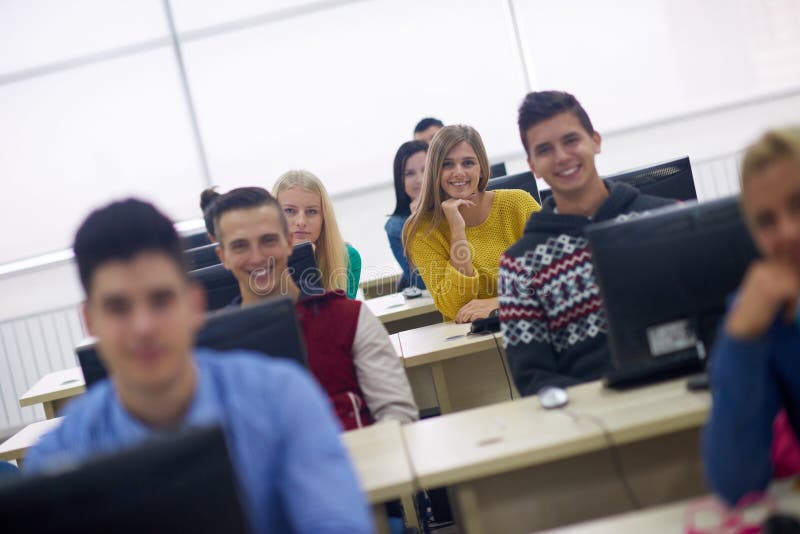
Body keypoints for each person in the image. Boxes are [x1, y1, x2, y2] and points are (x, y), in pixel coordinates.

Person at [23, 199, 373, 534]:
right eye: (118, 307)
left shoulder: (282, 398)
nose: (143, 327)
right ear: (90, 320)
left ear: (194, 304)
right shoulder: (58, 459)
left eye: (160, 300)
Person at [498, 91, 673, 396]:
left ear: (596, 141)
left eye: (570, 140)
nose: (562, 156)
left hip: (685, 395)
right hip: (595, 422)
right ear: (533, 166)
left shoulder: (667, 219)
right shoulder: (520, 265)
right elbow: (533, 378)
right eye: (545, 150)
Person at [211, 187, 418, 431]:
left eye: (268, 240)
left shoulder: (349, 318)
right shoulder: (216, 347)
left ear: (289, 242)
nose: (257, 257)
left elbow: (398, 415)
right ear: (222, 256)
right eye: (240, 246)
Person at [703, 127, 800, 505]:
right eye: (766, 221)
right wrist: (742, 335)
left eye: (798, 205)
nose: (788, 232)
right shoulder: (770, 313)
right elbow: (737, 482)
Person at [403, 124, 540, 322]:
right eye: (447, 164)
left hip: (537, 325)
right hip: (476, 342)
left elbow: (560, 279)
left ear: (481, 168)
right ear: (434, 170)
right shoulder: (421, 229)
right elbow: (456, 307)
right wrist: (457, 230)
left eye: (468, 163)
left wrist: (499, 303)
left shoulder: (518, 204)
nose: (459, 172)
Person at [273, 170, 361, 299]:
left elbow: (340, 317)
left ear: (324, 218)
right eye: (290, 210)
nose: (301, 222)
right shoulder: (259, 262)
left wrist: (308, 262)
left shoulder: (347, 257)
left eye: (312, 211)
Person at [385, 140, 428, 291]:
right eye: (410, 173)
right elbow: (423, 282)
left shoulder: (457, 206)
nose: (420, 179)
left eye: (426, 170)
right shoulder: (396, 227)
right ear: (400, 180)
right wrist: (420, 225)